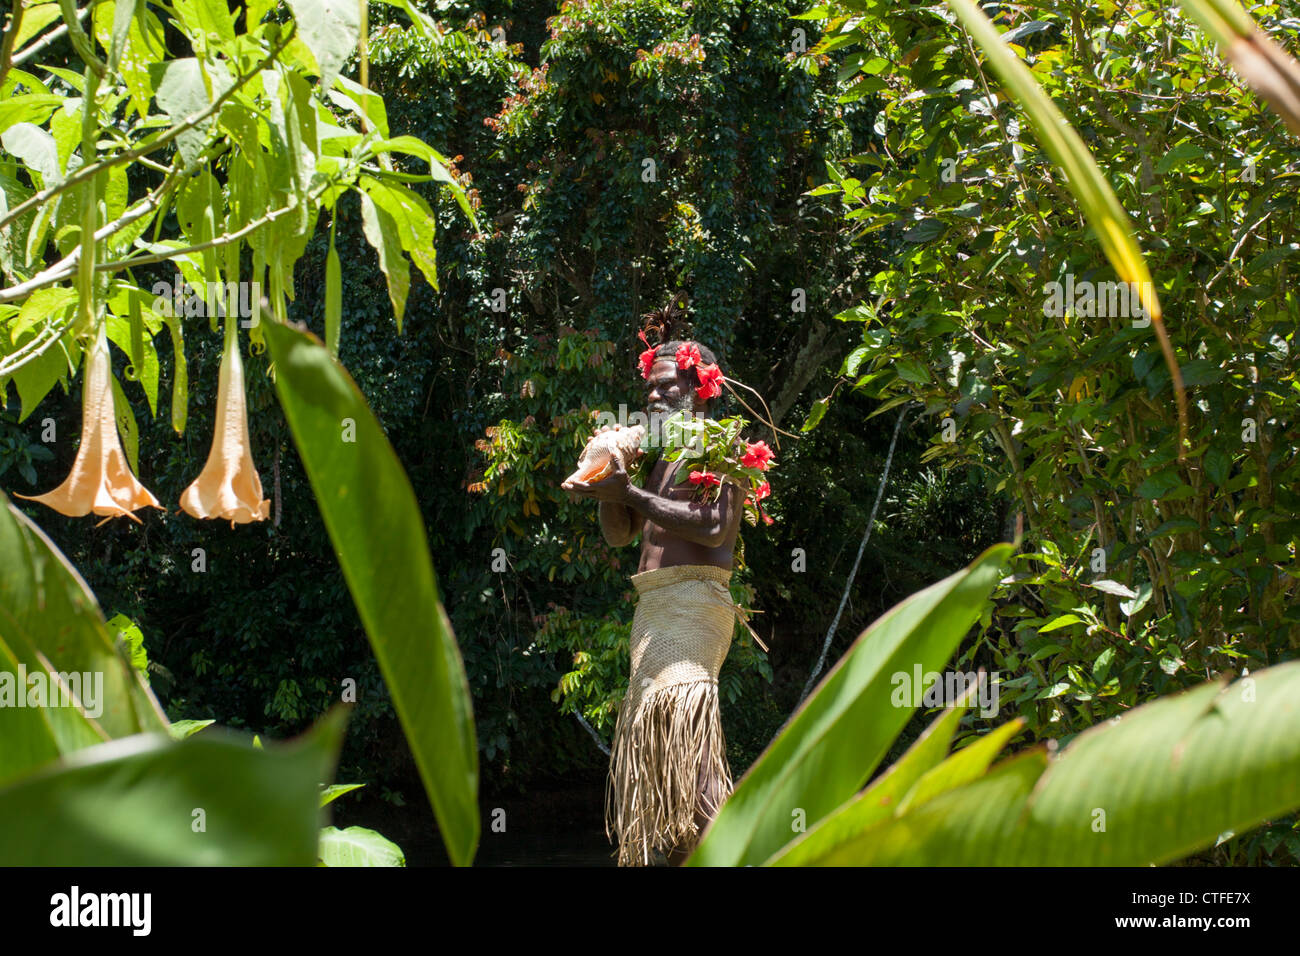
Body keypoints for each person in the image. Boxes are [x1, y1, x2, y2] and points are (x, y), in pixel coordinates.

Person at [568, 309, 748, 867]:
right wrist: (607, 484)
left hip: (696, 604)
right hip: (653, 609)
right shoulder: (654, 454)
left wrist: (635, 495)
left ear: (701, 388)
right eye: (647, 390)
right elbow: (622, 535)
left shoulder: (722, 445)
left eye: (665, 387)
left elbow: (715, 525)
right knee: (659, 766)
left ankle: (744, 853)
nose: (651, 399)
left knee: (688, 758)